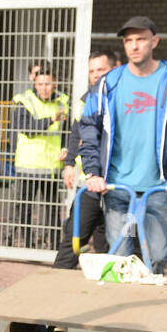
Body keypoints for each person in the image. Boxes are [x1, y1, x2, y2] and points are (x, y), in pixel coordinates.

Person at [78, 17, 167, 276]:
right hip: (117, 186)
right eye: (128, 40)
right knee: (119, 257)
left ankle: (153, 310)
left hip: (158, 185)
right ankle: (124, 314)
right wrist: (93, 171)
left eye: (141, 39)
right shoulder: (109, 83)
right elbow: (89, 129)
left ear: (154, 41)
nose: (134, 46)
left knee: (156, 258)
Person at [53, 48, 115, 270]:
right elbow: (76, 134)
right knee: (73, 239)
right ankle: (54, 286)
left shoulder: (124, 99)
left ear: (115, 69)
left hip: (116, 185)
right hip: (89, 183)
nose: (96, 75)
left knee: (111, 246)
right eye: (92, 71)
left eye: (101, 69)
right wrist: (69, 164)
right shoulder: (84, 101)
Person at [7, 62, 68, 249]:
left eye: (48, 84)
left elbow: (68, 131)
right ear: (35, 83)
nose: (44, 88)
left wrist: (66, 149)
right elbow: (26, 128)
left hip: (51, 166)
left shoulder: (62, 102)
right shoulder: (24, 100)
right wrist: (50, 120)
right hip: (28, 165)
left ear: (55, 83)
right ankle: (29, 246)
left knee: (52, 210)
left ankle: (55, 247)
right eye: (40, 84)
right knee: (25, 209)